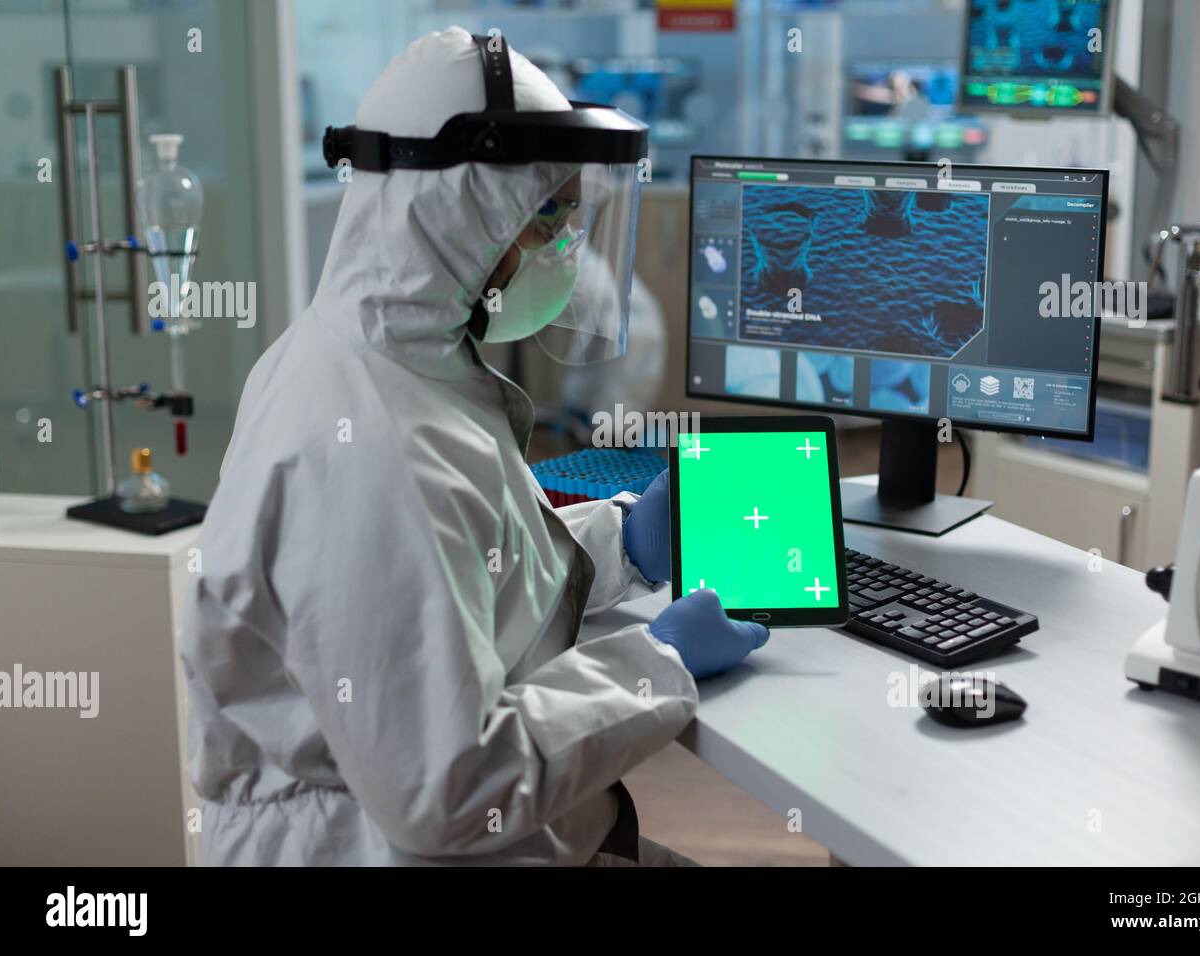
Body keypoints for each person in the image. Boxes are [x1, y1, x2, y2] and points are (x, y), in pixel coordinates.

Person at [181, 27, 768, 866]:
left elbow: (470, 578)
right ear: (465, 217)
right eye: (551, 216)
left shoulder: (393, 365)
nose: (567, 248)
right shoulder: (373, 449)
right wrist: (658, 660)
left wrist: (619, 540)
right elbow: (447, 790)